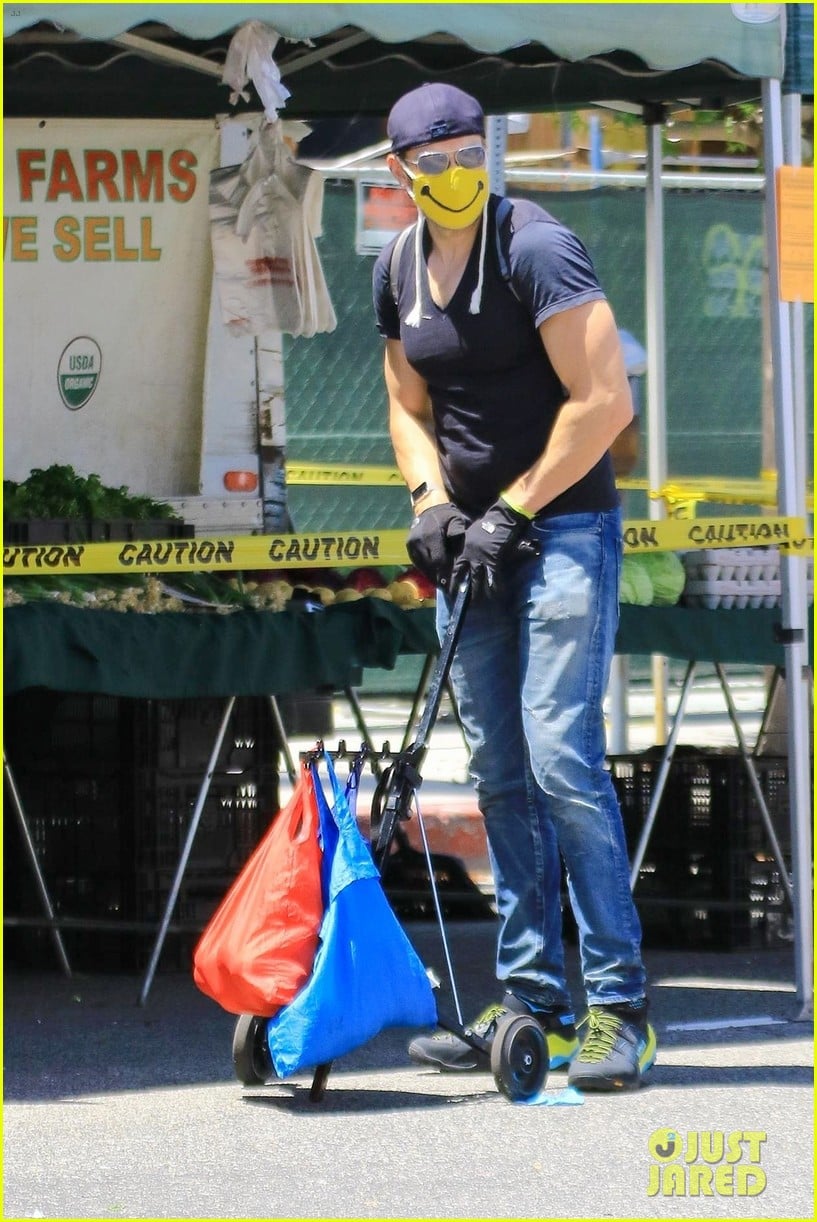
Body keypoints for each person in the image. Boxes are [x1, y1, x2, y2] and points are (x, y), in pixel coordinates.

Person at [372, 82, 656, 1092]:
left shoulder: (534, 246)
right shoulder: (399, 264)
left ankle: (619, 1004)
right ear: (397, 171)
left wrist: (514, 509)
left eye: (467, 153)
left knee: (557, 750)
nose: (453, 174)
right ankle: (532, 997)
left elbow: (602, 397)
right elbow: (407, 401)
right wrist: (432, 503)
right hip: (476, 542)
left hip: (565, 525)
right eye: (432, 161)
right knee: (495, 764)